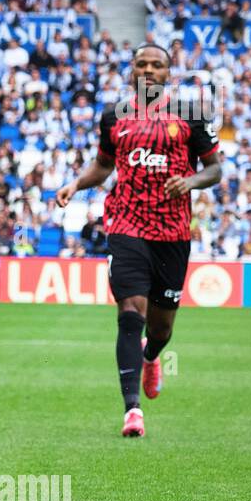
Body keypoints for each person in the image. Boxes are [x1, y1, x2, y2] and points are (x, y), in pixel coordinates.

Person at [55, 44, 222, 438]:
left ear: (168, 72)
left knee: (161, 329)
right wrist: (76, 183)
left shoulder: (191, 114)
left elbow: (215, 169)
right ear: (132, 70)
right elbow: (103, 164)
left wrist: (192, 180)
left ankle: (151, 356)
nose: (149, 70)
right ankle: (133, 410)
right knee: (131, 310)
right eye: (142, 64)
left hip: (173, 233)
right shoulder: (113, 116)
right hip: (126, 224)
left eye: (157, 65)